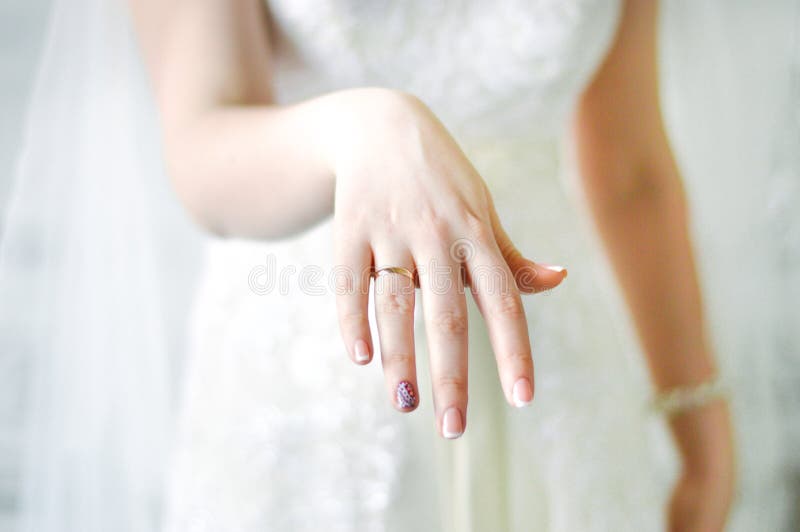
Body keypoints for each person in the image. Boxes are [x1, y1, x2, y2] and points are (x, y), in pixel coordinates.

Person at [123, 0, 740, 530]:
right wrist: (359, 130)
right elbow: (200, 143)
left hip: (560, 380)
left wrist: (696, 411)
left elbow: (629, 168)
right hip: (315, 375)